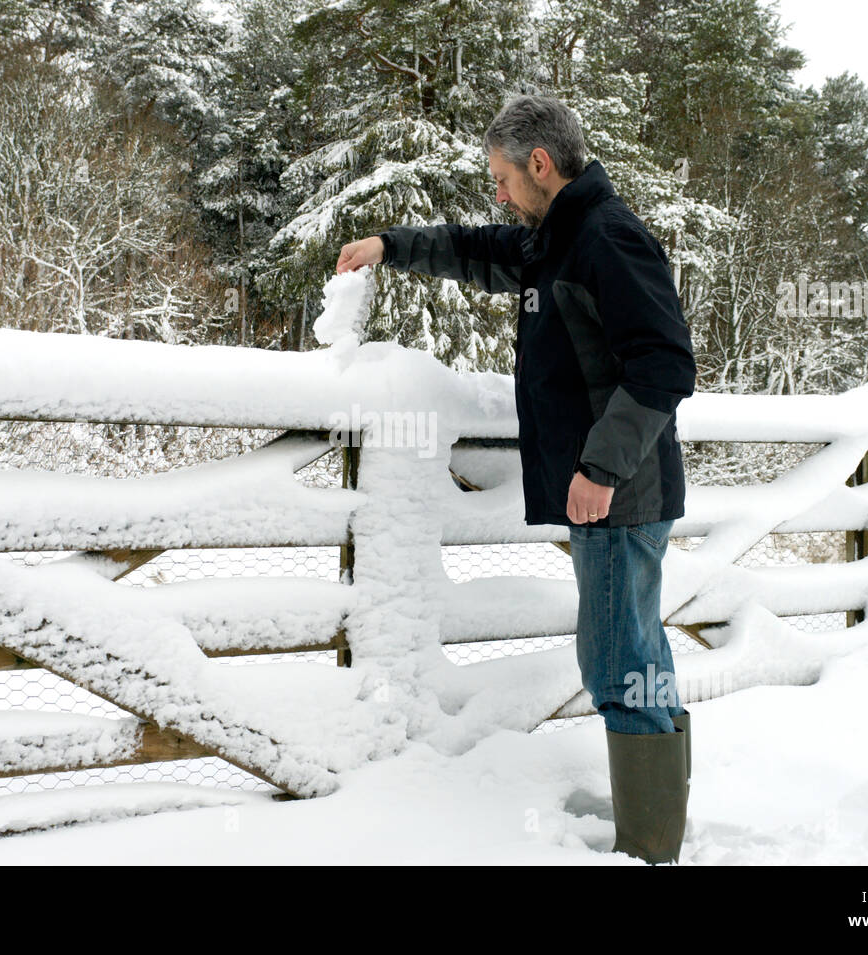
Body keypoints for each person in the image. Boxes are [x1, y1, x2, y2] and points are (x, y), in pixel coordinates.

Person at [336, 94, 698, 864]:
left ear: (541, 165)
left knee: (615, 661)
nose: (497, 192)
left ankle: (648, 845)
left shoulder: (606, 237)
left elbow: (664, 361)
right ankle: (661, 824)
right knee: (638, 651)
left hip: (619, 493)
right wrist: (390, 245)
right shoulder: (556, 238)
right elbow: (475, 248)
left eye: (503, 177)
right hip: (619, 489)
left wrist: (600, 467)